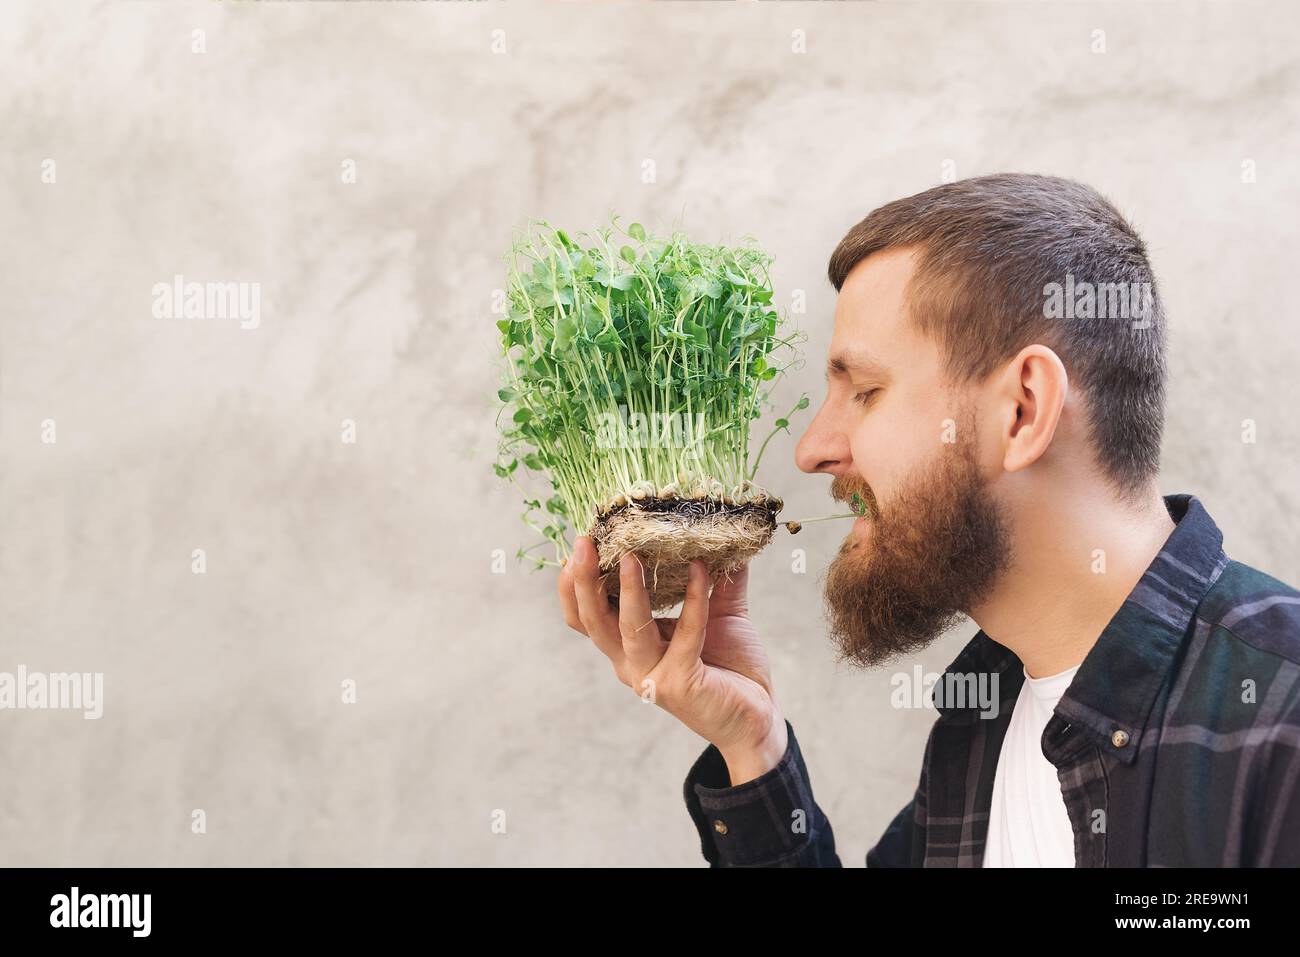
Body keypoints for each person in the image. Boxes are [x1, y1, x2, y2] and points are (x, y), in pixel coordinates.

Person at [556, 173, 1300, 867]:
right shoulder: (980, 720)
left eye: (865, 390)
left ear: (1022, 411)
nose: (813, 449)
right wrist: (749, 741)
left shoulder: (1280, 727)